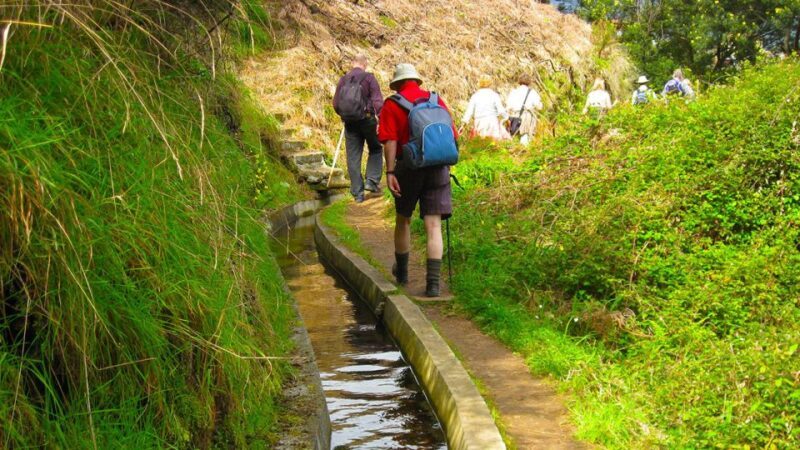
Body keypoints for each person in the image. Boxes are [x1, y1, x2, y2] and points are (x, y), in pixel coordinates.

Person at [378, 63, 458, 297]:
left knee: (403, 220)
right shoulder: (435, 100)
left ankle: (402, 275)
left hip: (409, 168)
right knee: (433, 226)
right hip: (437, 167)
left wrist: (390, 172)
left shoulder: (392, 104)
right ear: (416, 80)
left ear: (397, 84)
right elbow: (452, 134)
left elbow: (390, 141)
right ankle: (433, 285)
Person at [332, 54, 384, 202]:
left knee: (353, 156)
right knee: (375, 148)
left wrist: (345, 115)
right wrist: (381, 118)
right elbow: (377, 101)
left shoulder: (343, 80)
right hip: (367, 120)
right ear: (365, 64)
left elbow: (336, 103)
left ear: (353, 64)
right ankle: (371, 181)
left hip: (350, 123)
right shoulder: (369, 78)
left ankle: (358, 194)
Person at [462, 76, 510, 140]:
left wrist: (464, 123)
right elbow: (501, 110)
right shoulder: (494, 95)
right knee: (494, 144)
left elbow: (469, 111)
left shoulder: (475, 96)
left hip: (479, 123)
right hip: (492, 122)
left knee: (481, 144)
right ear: (490, 83)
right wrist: (506, 118)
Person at [505, 74, 544, 145]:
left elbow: (508, 106)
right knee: (525, 137)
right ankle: (524, 152)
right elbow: (539, 106)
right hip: (526, 116)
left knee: (513, 136)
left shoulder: (513, 92)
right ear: (529, 82)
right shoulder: (532, 92)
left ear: (519, 81)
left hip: (514, 116)